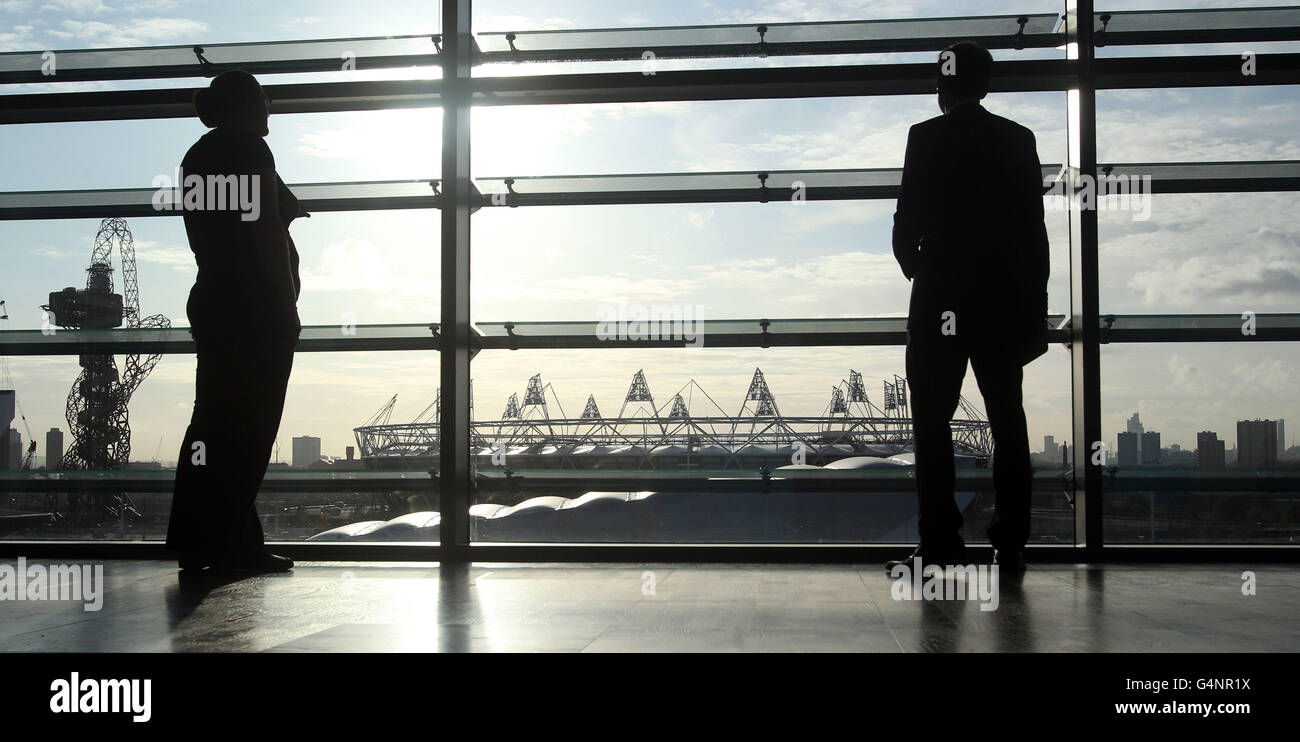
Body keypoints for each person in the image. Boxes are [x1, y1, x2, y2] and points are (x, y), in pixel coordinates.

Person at [887, 41, 1049, 575]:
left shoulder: (926, 138)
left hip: (939, 303)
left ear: (943, 86)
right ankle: (1010, 545)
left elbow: (907, 221)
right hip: (1003, 307)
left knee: (932, 426)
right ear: (985, 85)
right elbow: (1034, 235)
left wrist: (920, 271)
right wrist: (1032, 310)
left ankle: (939, 546)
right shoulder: (1018, 140)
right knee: (1008, 421)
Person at [166, 70, 305, 573]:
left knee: (215, 422)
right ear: (246, 104)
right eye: (264, 100)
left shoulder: (197, 157)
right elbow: (265, 230)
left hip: (216, 300)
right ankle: (232, 545)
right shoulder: (249, 150)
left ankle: (203, 540)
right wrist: (284, 301)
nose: (270, 109)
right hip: (254, 308)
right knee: (250, 426)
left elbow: (221, 230)